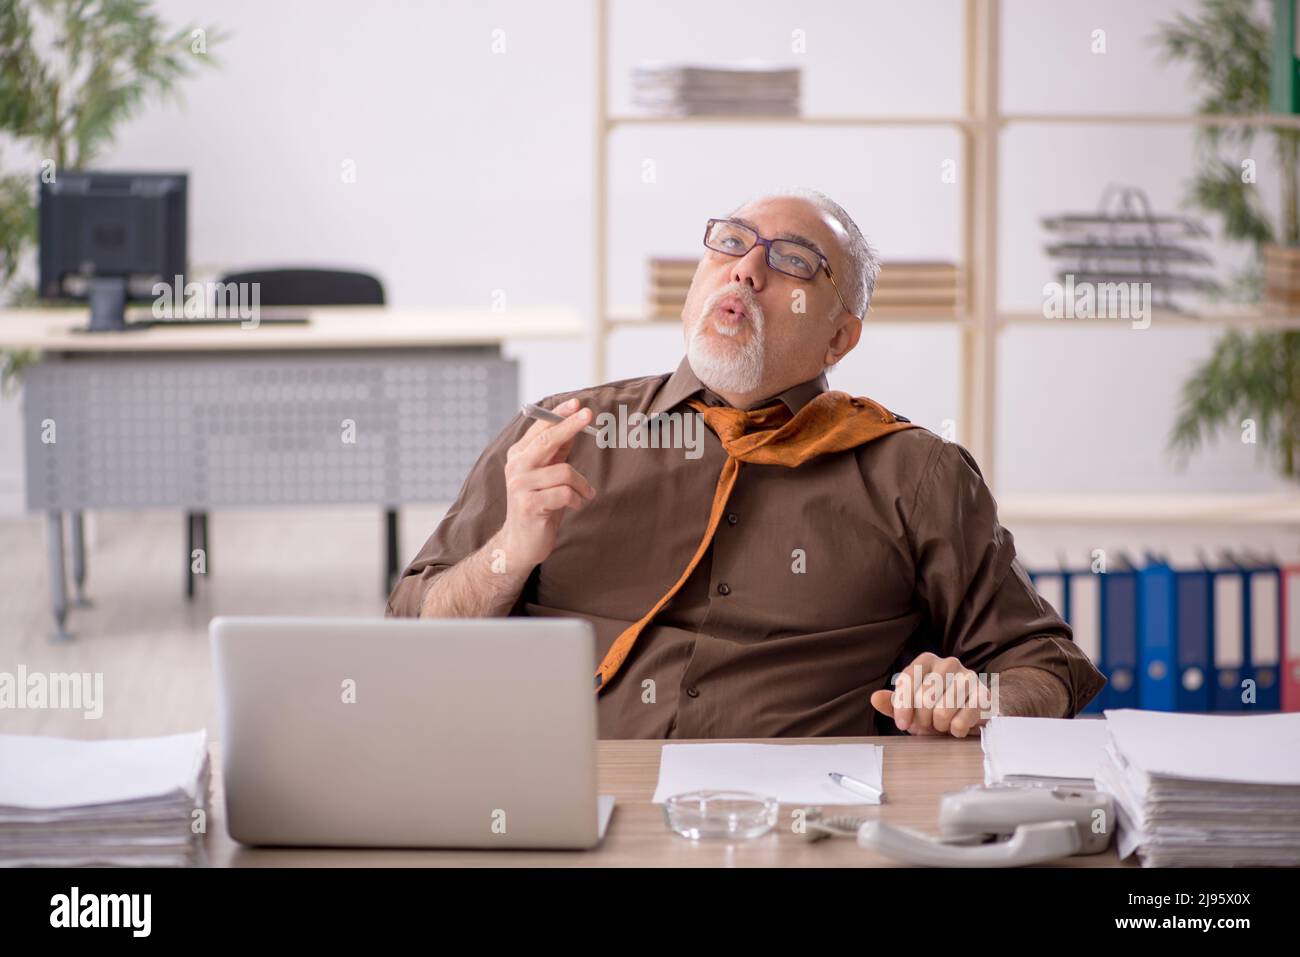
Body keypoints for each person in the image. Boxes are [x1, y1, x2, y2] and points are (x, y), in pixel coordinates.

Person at [386, 187, 1105, 740]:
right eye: (731, 243)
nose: (748, 269)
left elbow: (1047, 667)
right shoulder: (561, 432)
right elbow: (411, 635)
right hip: (553, 799)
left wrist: (978, 699)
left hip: (796, 834)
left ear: (840, 338)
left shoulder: (914, 475)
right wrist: (509, 555)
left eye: (793, 260)